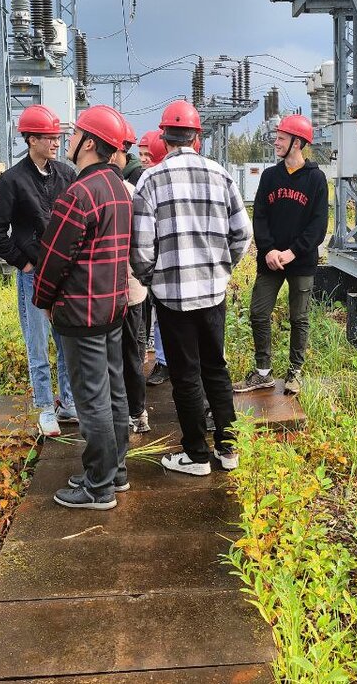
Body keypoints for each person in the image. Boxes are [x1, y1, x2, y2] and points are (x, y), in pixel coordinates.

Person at [132, 100, 251, 476]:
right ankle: (229, 450)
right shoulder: (221, 174)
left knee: (185, 374)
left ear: (164, 138)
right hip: (213, 292)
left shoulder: (150, 180)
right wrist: (222, 269)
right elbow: (242, 233)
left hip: (172, 296)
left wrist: (153, 278)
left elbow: (140, 247)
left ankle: (197, 455)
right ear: (197, 137)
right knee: (216, 366)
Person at [34, 104, 134, 510]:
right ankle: (116, 471)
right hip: (112, 308)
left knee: (91, 399)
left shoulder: (79, 193)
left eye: (73, 135)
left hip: (81, 312)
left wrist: (43, 300)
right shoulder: (118, 189)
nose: (67, 141)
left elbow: (54, 257)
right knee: (114, 391)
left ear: (89, 143)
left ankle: (98, 487)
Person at [0, 105, 76, 437]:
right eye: (50, 137)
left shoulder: (66, 175)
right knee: (37, 344)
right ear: (31, 139)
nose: (55, 142)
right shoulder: (11, 180)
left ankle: (68, 402)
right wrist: (24, 263)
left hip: (64, 273)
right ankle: (45, 408)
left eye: (57, 137)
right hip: (34, 274)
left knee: (66, 340)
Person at [235, 114, 328, 397]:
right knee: (258, 312)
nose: (276, 142)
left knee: (299, 318)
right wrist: (269, 250)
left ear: (297, 143)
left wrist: (292, 252)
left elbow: (318, 225)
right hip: (271, 259)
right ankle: (263, 372)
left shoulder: (316, 179)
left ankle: (295, 373)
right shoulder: (270, 176)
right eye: (277, 137)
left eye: (282, 138)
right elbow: (259, 216)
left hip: (300, 261)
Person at [110, 118, 150, 434]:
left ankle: (127, 414)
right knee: (133, 353)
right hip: (134, 289)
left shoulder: (107, 190)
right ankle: (137, 413)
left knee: (116, 357)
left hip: (112, 292)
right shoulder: (133, 191)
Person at [141, 131, 172, 387]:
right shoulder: (147, 181)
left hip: (166, 263)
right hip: (157, 264)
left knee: (165, 317)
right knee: (159, 316)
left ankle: (166, 362)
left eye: (147, 155)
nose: (144, 160)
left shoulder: (157, 181)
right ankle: (163, 361)